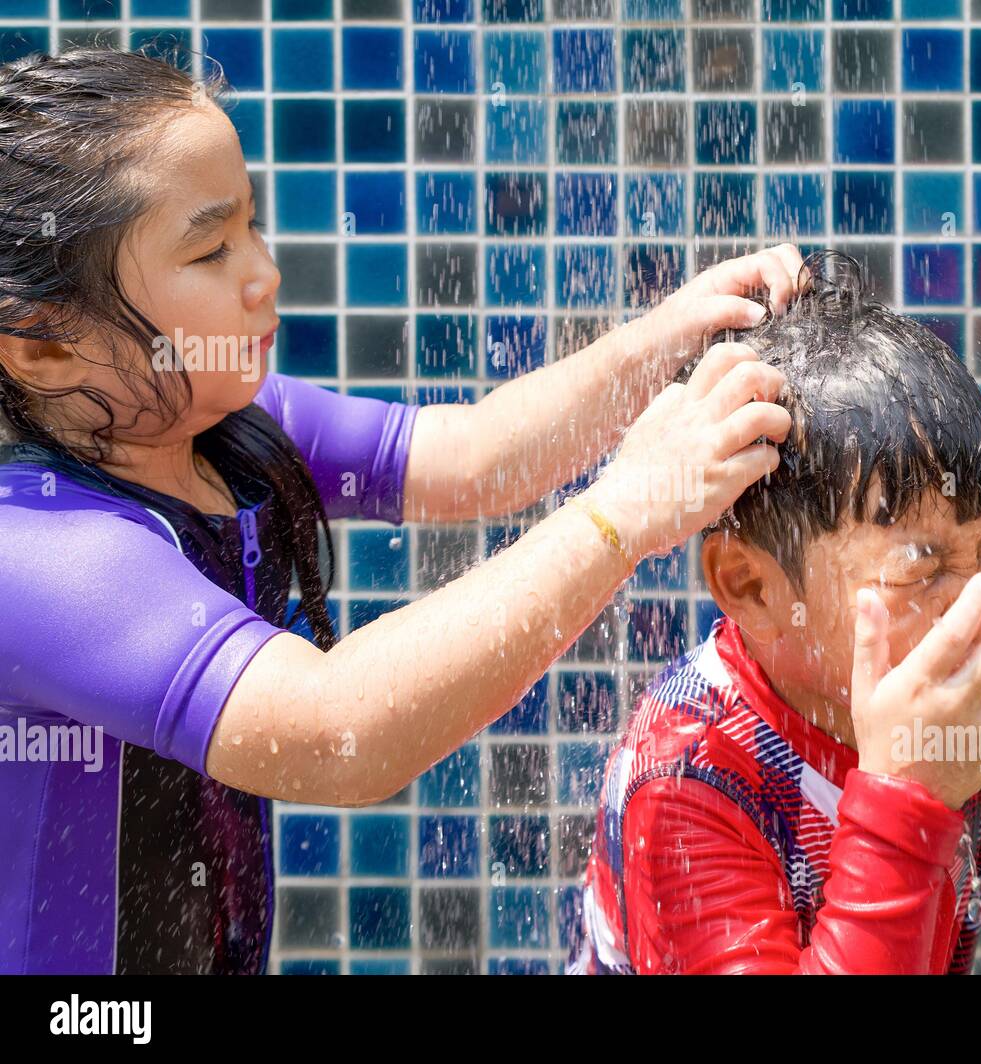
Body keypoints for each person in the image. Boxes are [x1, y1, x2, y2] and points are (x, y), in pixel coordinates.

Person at [0, 46, 802, 973]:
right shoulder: (40, 552)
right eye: (209, 248)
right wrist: (627, 506)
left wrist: (665, 338)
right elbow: (338, 732)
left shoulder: (219, 423)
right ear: (46, 349)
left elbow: (475, 457)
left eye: (252, 227)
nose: (264, 272)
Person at [568, 249, 981, 975]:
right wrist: (908, 798)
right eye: (922, 568)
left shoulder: (980, 675)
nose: (978, 602)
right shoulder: (690, 777)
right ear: (753, 589)